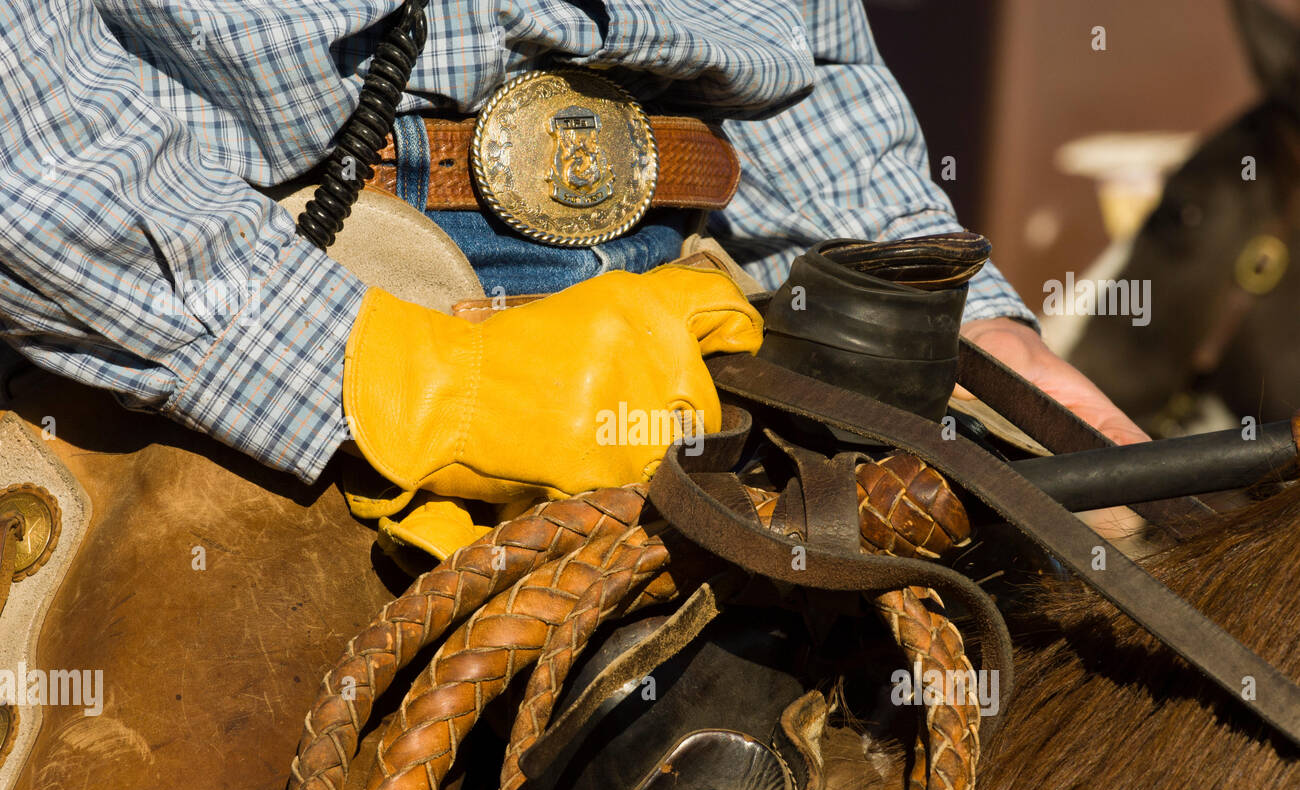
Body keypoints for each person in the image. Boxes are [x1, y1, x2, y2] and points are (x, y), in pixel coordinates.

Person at [0, 0, 1145, 502]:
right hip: (234, 281)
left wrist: (922, 293)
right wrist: (378, 367)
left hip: (697, 287)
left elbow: (799, 38)